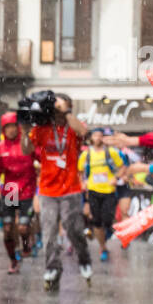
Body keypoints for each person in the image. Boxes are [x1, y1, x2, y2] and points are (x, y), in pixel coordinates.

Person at [31, 93, 92, 289]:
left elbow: (82, 131)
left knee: (73, 229)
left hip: (70, 188)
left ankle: (84, 257)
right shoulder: (42, 128)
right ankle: (52, 267)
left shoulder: (73, 126)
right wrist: (25, 130)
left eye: (60, 104)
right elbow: (26, 150)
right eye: (54, 105)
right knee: (48, 232)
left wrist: (66, 112)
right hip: (48, 189)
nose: (56, 108)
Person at [0, 111, 37, 274]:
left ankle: (26, 246)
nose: (10, 130)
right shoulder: (0, 147)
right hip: (10, 190)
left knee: (23, 227)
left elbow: (40, 158)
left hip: (28, 188)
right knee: (8, 228)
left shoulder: (26, 143)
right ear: (3, 129)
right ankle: (13, 260)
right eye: (7, 127)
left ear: (18, 127)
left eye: (13, 126)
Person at [77, 128, 127, 263]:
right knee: (97, 221)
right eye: (95, 136)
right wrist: (83, 182)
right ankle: (103, 248)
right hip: (93, 191)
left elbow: (123, 167)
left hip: (109, 191)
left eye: (100, 136)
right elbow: (80, 171)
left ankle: (107, 234)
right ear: (91, 138)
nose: (98, 138)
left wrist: (116, 178)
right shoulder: (86, 155)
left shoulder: (111, 152)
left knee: (107, 219)